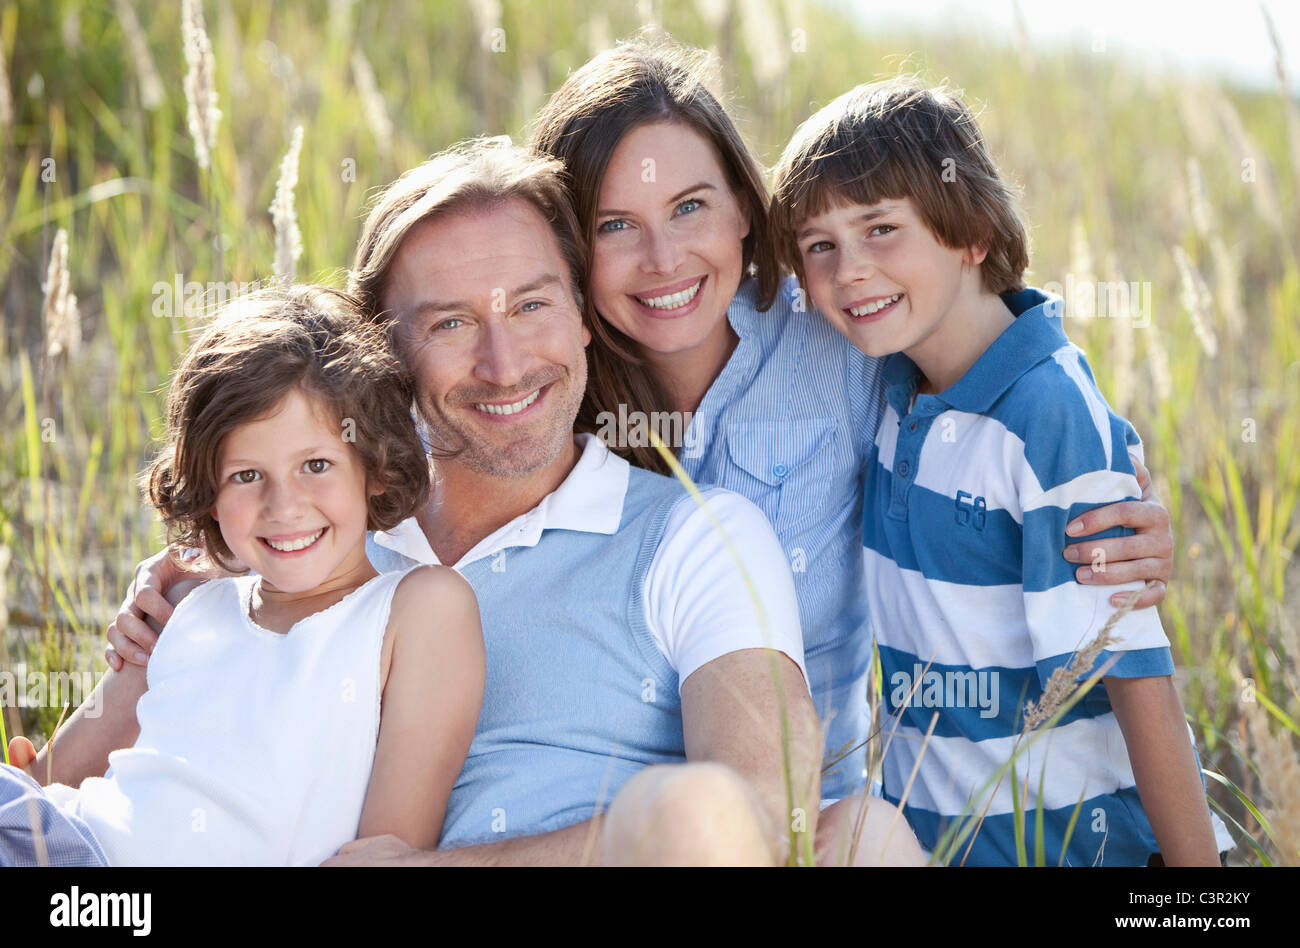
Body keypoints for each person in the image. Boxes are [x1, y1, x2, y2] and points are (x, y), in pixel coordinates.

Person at [101, 141, 916, 865]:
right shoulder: (313, 536)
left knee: (861, 840)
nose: (505, 363)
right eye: (451, 324)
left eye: (532, 305)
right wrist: (183, 598)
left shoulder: (696, 538)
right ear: (381, 356)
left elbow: (762, 807)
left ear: (583, 317)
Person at [526, 33, 1178, 802]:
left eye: (690, 206)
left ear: (743, 206)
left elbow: (981, 364)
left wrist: (1107, 490)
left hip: (811, 816)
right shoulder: (538, 385)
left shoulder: (836, 335)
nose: (663, 258)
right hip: (595, 814)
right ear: (568, 245)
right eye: (615, 225)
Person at [768, 79, 1234, 865]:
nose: (849, 271)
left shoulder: (1046, 413)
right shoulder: (888, 386)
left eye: (881, 229)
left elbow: (1135, 675)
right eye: (820, 246)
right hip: (936, 840)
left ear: (971, 233)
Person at [2, 285, 484, 866]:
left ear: (376, 467)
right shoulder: (191, 601)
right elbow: (44, 781)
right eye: (247, 475)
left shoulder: (420, 608)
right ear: (207, 493)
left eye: (316, 465)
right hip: (75, 846)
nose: (285, 506)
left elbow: (387, 854)